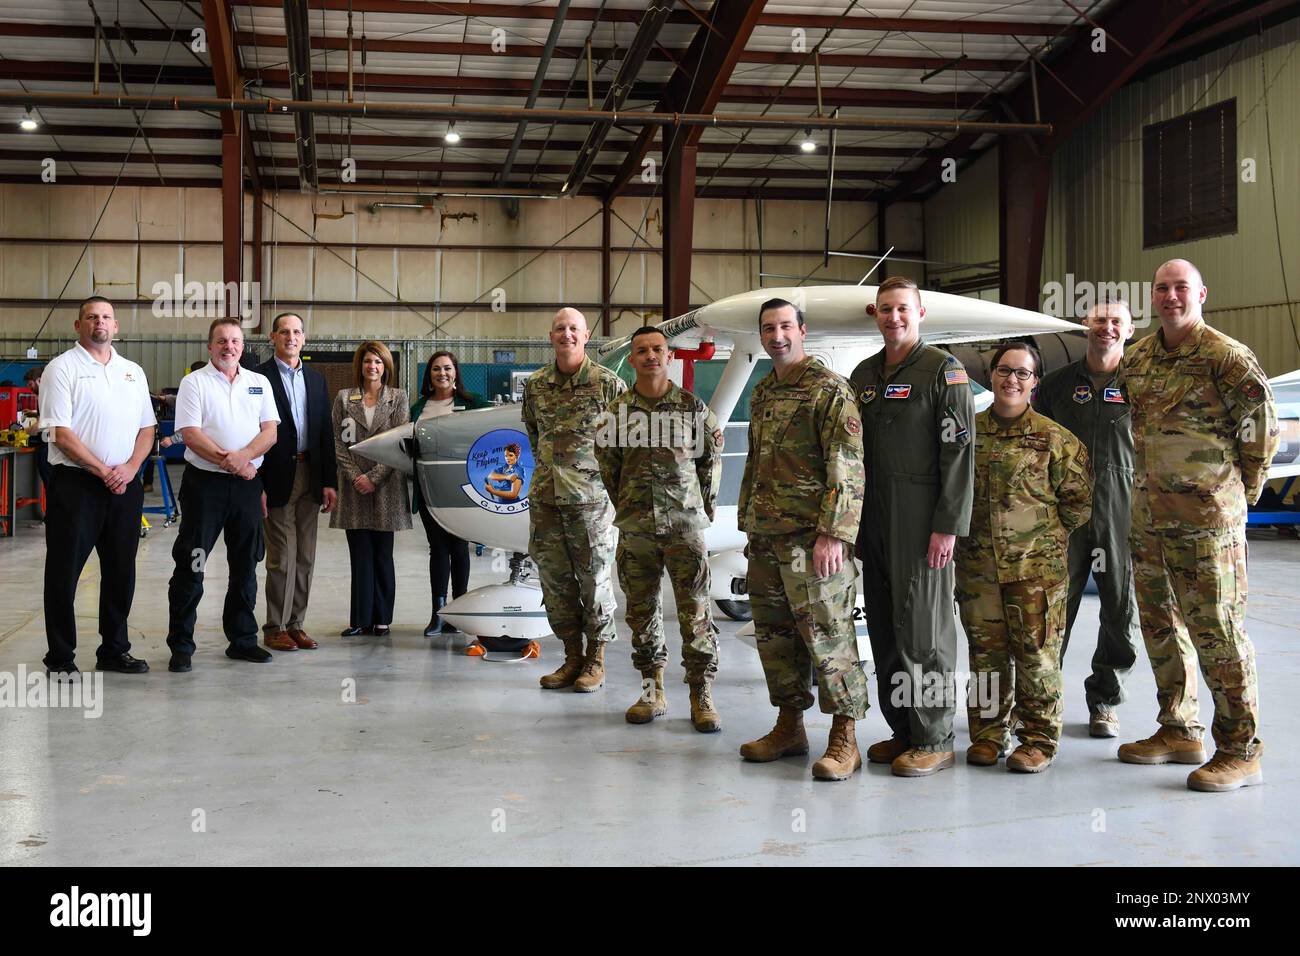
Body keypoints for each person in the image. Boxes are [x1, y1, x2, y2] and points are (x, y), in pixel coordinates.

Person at [1117, 259, 1279, 792]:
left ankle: (1240, 748)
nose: (1170, 296)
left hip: (1209, 525)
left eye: (1180, 287)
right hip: (1149, 520)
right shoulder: (1136, 359)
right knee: (1161, 630)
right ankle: (1179, 729)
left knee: (1219, 633)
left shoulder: (1226, 358)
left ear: (1201, 294)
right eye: (1161, 288)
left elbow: (1260, 433)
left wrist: (1236, 496)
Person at [737, 298, 869, 781]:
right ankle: (790, 725)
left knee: (828, 637)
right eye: (769, 328)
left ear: (802, 331)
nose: (778, 335)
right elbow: (755, 462)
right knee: (775, 638)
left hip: (813, 540)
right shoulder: (764, 392)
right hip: (767, 536)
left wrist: (834, 533)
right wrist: (750, 525)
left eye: (786, 326)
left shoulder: (828, 389)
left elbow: (847, 465)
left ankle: (845, 738)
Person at [849, 276, 974, 777]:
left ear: (920, 313)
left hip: (922, 517)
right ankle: (903, 727)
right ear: (875, 314)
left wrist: (947, 526)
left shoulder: (944, 371)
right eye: (885, 309)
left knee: (925, 631)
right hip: (874, 518)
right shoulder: (863, 375)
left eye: (902, 309)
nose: (894, 318)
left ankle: (936, 734)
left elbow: (960, 452)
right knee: (883, 627)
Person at [955, 343, 1093, 773]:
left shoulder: (1056, 439)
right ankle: (988, 735)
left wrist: (1040, 539)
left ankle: (1038, 739)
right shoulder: (968, 434)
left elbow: (1078, 502)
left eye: (1021, 373)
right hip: (978, 567)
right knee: (985, 654)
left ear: (1034, 381)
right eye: (1003, 370)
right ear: (991, 376)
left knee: (1036, 656)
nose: (1010, 379)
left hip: (1036, 572)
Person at [595, 326, 724, 732]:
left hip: (685, 528)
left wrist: (702, 508)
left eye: (657, 349)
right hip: (636, 530)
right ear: (631, 360)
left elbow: (710, 462)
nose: (650, 355)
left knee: (696, 613)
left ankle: (701, 694)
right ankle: (652, 692)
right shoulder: (615, 414)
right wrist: (630, 509)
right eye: (642, 351)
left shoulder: (692, 408)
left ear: (669, 356)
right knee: (641, 613)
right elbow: (608, 469)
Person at [1033, 300, 1142, 738]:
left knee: (1119, 608)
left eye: (1117, 321)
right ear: (1085, 326)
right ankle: (1043, 700)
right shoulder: (1057, 386)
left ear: (1129, 330)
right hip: (1065, 513)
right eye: (1100, 319)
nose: (1107, 328)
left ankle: (1105, 700)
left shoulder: (1142, 384)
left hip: (1122, 510)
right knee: (1054, 608)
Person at [39, 296, 156, 675]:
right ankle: (60, 656)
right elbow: (59, 432)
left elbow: (146, 427)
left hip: (125, 485)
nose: (99, 322)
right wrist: (101, 470)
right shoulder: (63, 368)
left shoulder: (132, 371)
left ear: (116, 326)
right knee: (64, 571)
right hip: (76, 486)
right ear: (78, 326)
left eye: (106, 317)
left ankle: (114, 650)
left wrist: (131, 467)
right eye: (91, 317)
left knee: (121, 571)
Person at [165, 318, 280, 671]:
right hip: (205, 488)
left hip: (247, 487)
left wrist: (244, 459)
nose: (229, 346)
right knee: (193, 563)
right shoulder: (194, 383)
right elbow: (191, 433)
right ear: (210, 346)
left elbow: (270, 431)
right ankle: (182, 645)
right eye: (221, 341)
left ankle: (243, 640)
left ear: (243, 346)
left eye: (235, 341)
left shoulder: (258, 383)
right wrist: (232, 461)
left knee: (245, 565)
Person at [523, 308, 627, 692]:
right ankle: (571, 657)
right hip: (546, 499)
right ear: (551, 336)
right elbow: (535, 435)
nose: (566, 334)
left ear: (586, 336)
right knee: (555, 582)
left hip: (592, 503)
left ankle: (596, 660)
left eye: (574, 329)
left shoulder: (608, 384)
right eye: (560, 329)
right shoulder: (535, 385)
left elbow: (623, 442)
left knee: (594, 582)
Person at [255, 313, 338, 652]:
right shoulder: (257, 377)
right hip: (275, 475)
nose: (291, 337)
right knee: (281, 557)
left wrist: (329, 481)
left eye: (297, 332)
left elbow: (325, 433)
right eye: (284, 332)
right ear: (273, 337)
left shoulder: (316, 380)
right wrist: (255, 483)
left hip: (311, 474)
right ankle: (274, 625)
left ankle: (296, 624)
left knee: (305, 555)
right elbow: (251, 431)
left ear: (305, 338)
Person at [331, 341, 411, 637]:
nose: (372, 367)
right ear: (360, 366)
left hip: (386, 487)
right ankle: (359, 619)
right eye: (367, 362)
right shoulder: (343, 398)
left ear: (386, 367)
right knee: (359, 554)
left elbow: (401, 441)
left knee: (382, 555)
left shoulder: (398, 398)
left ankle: (381, 619)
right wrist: (356, 477)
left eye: (378, 362)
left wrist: (374, 477)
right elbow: (339, 444)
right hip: (354, 488)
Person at [410, 350, 491, 637]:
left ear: (456, 372)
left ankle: (460, 612)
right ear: (428, 375)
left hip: (464, 493)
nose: (441, 373)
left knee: (459, 549)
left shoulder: (474, 404)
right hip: (430, 492)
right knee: (438, 550)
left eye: (447, 368)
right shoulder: (418, 409)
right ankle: (439, 614)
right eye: (435, 369)